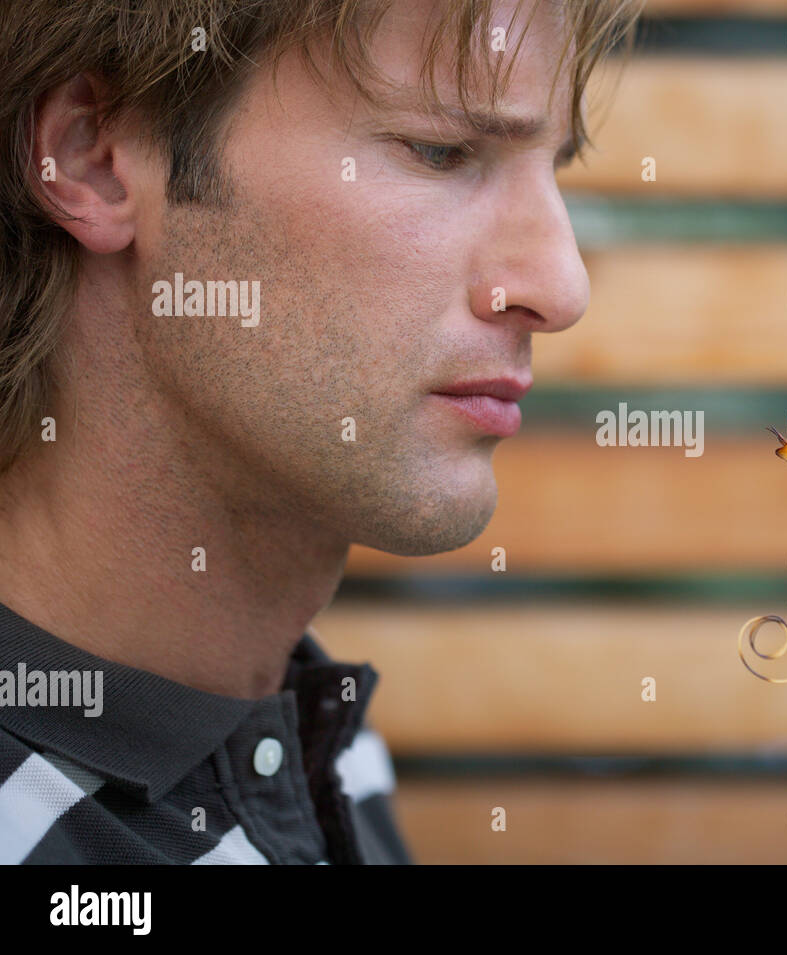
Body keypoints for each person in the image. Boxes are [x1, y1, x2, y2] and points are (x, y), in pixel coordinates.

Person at [0, 0, 642, 864]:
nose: (561, 288)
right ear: (95, 158)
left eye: (554, 164)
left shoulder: (316, 750)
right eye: (442, 150)